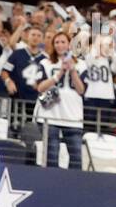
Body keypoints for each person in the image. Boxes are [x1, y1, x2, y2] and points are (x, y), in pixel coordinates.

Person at [34, 31, 86, 169]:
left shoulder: (81, 64)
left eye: (63, 42)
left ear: (69, 44)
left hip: (73, 116)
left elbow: (81, 90)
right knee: (51, 156)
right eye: (57, 42)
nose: (60, 45)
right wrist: (59, 74)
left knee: (76, 158)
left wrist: (73, 70)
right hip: (50, 116)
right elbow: (40, 87)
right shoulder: (45, 63)